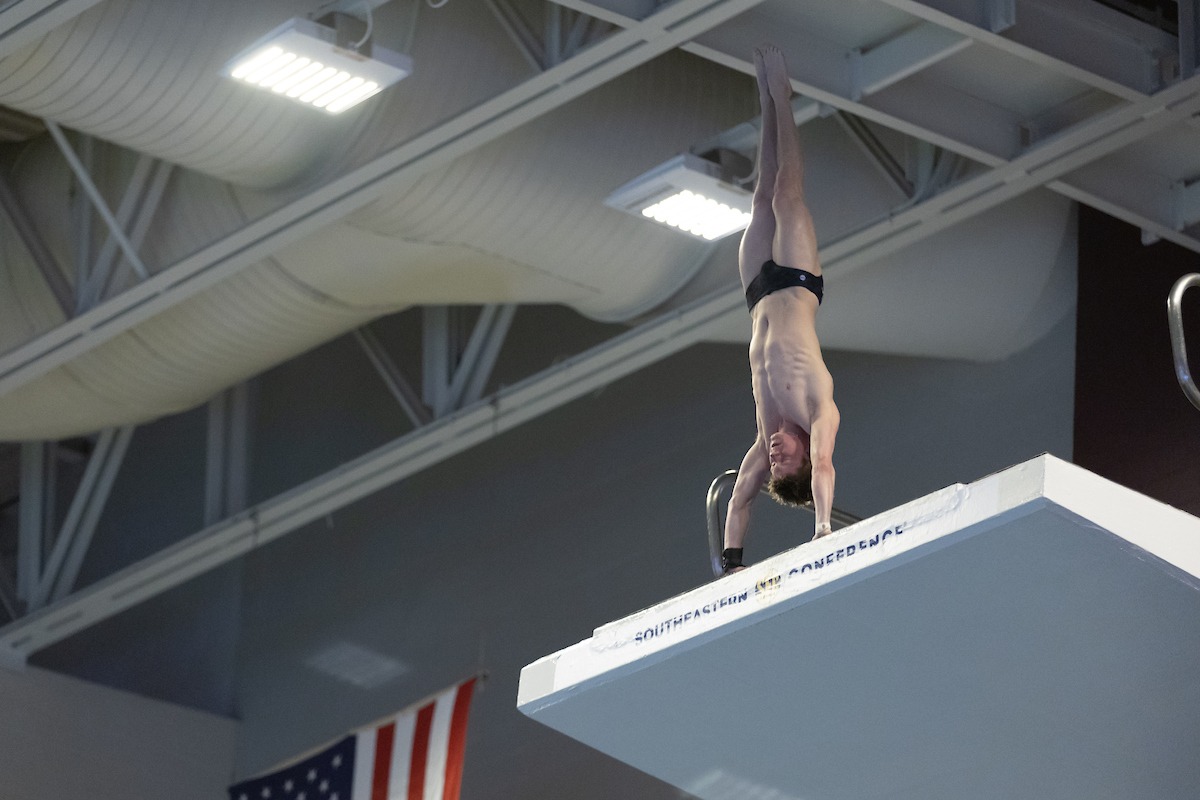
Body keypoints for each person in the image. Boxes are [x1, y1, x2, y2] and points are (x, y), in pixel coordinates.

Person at [721, 45, 840, 575]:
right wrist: (821, 527)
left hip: (757, 293)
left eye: (772, 461)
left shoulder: (765, 428)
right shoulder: (820, 413)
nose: (773, 453)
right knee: (788, 197)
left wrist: (732, 563)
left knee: (760, 195)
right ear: (802, 452)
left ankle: (764, 101)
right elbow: (823, 465)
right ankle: (783, 99)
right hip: (795, 283)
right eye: (782, 458)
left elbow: (739, 498)